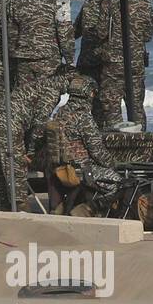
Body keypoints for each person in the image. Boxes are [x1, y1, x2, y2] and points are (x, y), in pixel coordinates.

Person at [45, 74, 121, 215]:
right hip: (80, 171)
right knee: (119, 183)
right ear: (89, 93)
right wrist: (114, 164)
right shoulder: (84, 117)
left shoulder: (59, 112)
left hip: (58, 168)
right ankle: (85, 210)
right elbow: (97, 151)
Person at [76, 0, 153, 129]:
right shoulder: (146, 4)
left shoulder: (109, 3)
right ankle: (141, 140)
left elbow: (101, 32)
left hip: (114, 63)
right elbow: (148, 36)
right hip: (136, 62)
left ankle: (117, 139)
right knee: (136, 106)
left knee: (111, 105)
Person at [0, 73, 59, 213]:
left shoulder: (41, 84)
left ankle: (2, 207)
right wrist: (32, 151)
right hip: (9, 126)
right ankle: (20, 208)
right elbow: (39, 124)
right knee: (16, 168)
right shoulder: (53, 91)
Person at [6, 0, 74, 123]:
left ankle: (25, 131)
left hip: (23, 57)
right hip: (48, 57)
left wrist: (14, 54)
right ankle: (39, 133)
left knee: (25, 97)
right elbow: (64, 29)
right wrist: (69, 58)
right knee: (48, 97)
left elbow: (11, 31)